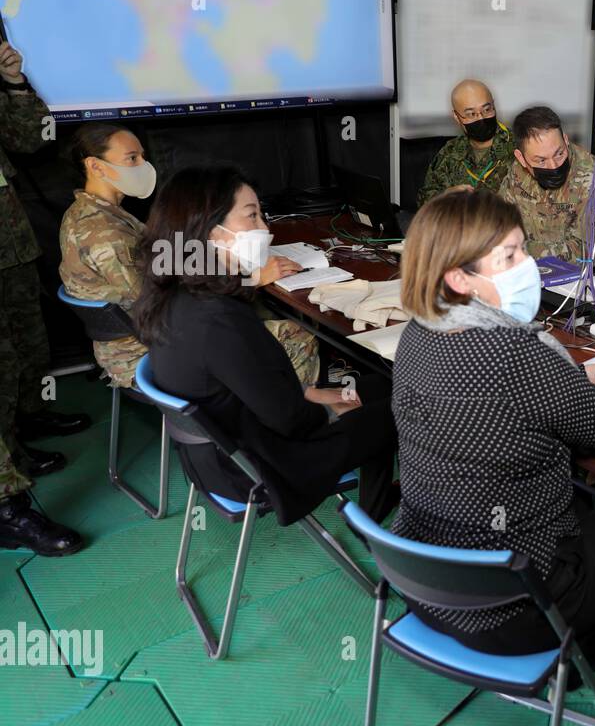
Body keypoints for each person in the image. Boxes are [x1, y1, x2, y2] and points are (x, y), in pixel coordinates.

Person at [392, 189, 595, 669]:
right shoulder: (514, 354)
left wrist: (569, 378)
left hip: (427, 587)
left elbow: (507, 402)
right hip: (513, 611)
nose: (527, 264)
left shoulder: (417, 333)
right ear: (458, 277)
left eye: (523, 248)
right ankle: (587, 647)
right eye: (509, 256)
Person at [133, 166, 397, 524]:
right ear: (212, 233)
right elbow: (292, 421)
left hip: (224, 449)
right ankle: (376, 520)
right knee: (401, 407)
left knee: (383, 385)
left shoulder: (176, 294)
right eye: (252, 216)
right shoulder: (218, 319)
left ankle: (374, 506)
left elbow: (255, 389)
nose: (264, 229)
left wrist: (316, 395)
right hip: (264, 463)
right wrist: (333, 406)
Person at [58, 123, 319, 389]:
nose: (144, 166)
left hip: (140, 341)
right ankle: (282, 420)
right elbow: (161, 306)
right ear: (96, 166)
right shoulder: (104, 232)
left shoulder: (90, 214)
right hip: (147, 352)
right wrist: (251, 279)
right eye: (132, 158)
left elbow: (163, 267)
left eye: (143, 157)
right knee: (293, 336)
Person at [0, 40, 91, 482]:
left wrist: (14, 84)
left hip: (10, 237)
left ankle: (29, 419)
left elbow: (30, 138)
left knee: (26, 338)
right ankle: (10, 454)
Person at [496, 106, 595, 274]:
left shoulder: (594, 179)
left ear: (566, 140)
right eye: (541, 160)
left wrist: (515, 252)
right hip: (534, 272)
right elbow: (498, 225)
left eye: (559, 153)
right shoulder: (517, 173)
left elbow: (583, 255)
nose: (554, 166)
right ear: (521, 158)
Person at [416, 79, 515, 205]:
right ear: (457, 117)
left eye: (487, 109)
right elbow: (424, 199)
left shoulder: (519, 147)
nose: (481, 117)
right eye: (471, 114)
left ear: (494, 106)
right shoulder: (450, 152)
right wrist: (446, 195)